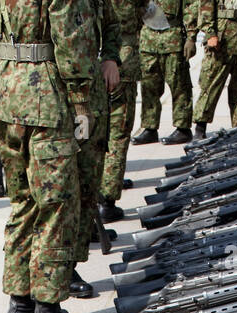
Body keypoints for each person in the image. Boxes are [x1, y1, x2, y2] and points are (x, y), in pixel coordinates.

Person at [0, 0, 99, 313]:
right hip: (44, 97)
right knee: (57, 204)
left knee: (23, 202)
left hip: (5, 92)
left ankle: (20, 306)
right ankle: (47, 312)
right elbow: (71, 37)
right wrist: (82, 102)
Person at [69, 0, 122, 298]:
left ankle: (73, 255)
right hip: (66, 100)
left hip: (93, 98)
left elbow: (113, 25)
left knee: (89, 176)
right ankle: (63, 267)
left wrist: (111, 58)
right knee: (70, 182)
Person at [99, 0, 148, 220]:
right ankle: (107, 199)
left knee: (94, 133)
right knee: (118, 131)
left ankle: (106, 183)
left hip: (92, 59)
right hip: (122, 57)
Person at [132, 0, 198, 145]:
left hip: (172, 37)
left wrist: (191, 37)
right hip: (148, 38)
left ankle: (183, 129)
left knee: (179, 84)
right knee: (149, 86)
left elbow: (190, 6)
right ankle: (150, 128)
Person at [192, 0, 237, 137]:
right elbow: (206, 6)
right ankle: (200, 129)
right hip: (221, 43)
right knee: (210, 86)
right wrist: (210, 33)